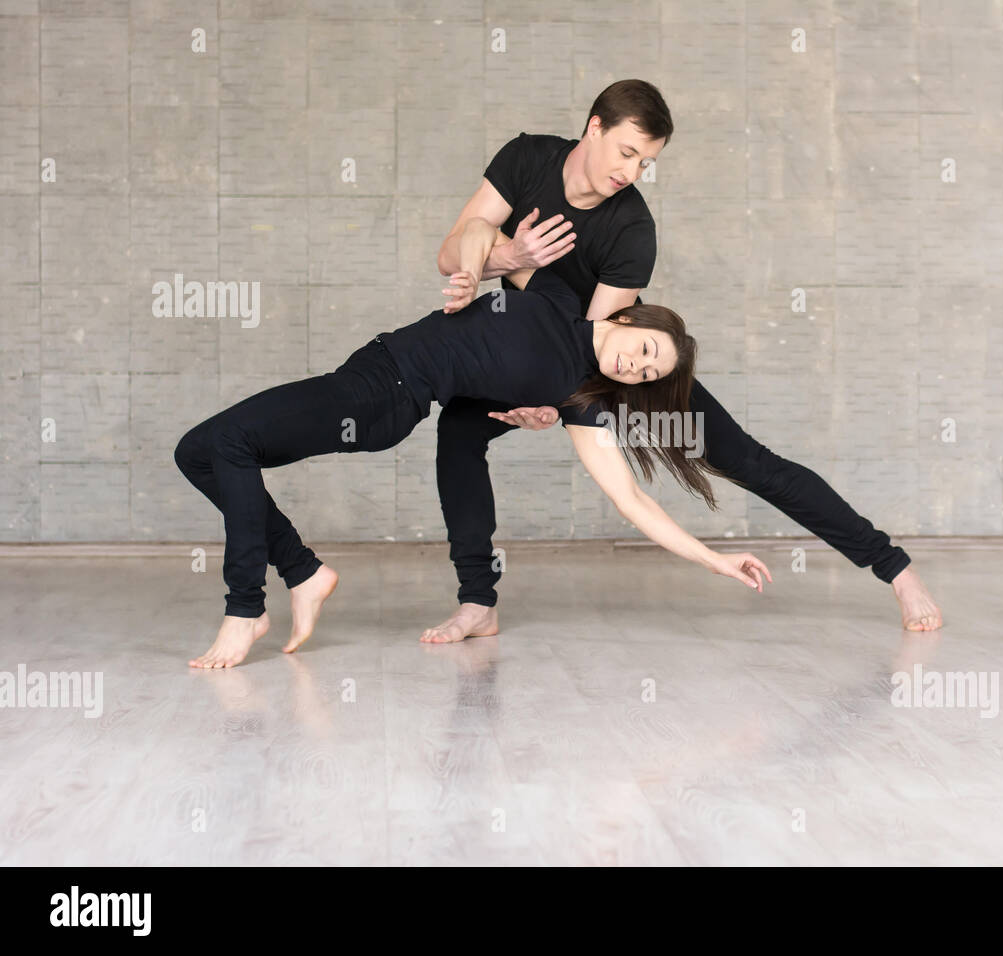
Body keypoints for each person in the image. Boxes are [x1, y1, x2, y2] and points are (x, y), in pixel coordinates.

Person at [425, 79, 942, 644]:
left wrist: (547, 404)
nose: (632, 172)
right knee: (458, 431)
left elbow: (589, 354)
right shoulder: (525, 158)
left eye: (647, 163)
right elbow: (451, 253)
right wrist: (510, 256)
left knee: (748, 461)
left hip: (624, 361)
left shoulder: (632, 228)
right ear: (593, 126)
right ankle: (478, 602)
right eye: (627, 153)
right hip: (523, 343)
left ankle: (896, 569)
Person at [174, 218, 772, 669]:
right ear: (631, 321)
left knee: (230, 443)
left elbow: (633, 503)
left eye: (646, 376)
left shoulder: (580, 400)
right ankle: (304, 573)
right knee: (198, 452)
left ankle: (246, 608)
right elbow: (483, 231)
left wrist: (718, 561)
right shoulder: (560, 299)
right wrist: (471, 268)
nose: (634, 368)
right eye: (644, 352)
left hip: (384, 396)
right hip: (371, 367)